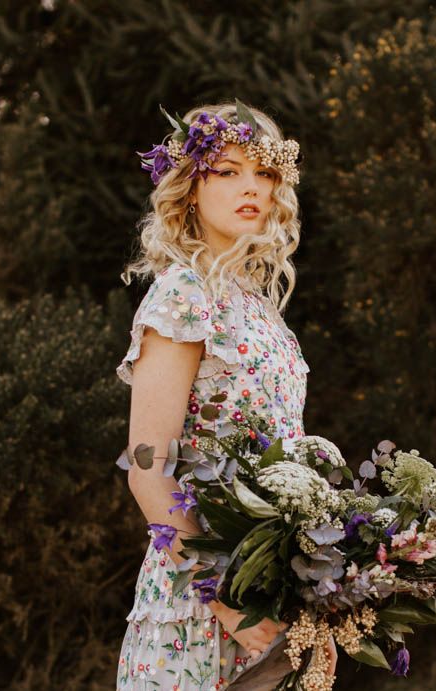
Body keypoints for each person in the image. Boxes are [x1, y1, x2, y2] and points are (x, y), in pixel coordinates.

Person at [114, 100, 336, 690]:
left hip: (272, 594)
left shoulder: (260, 308)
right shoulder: (183, 294)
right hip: (199, 607)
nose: (252, 188)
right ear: (190, 187)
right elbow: (146, 469)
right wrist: (224, 602)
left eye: (265, 173)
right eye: (229, 170)